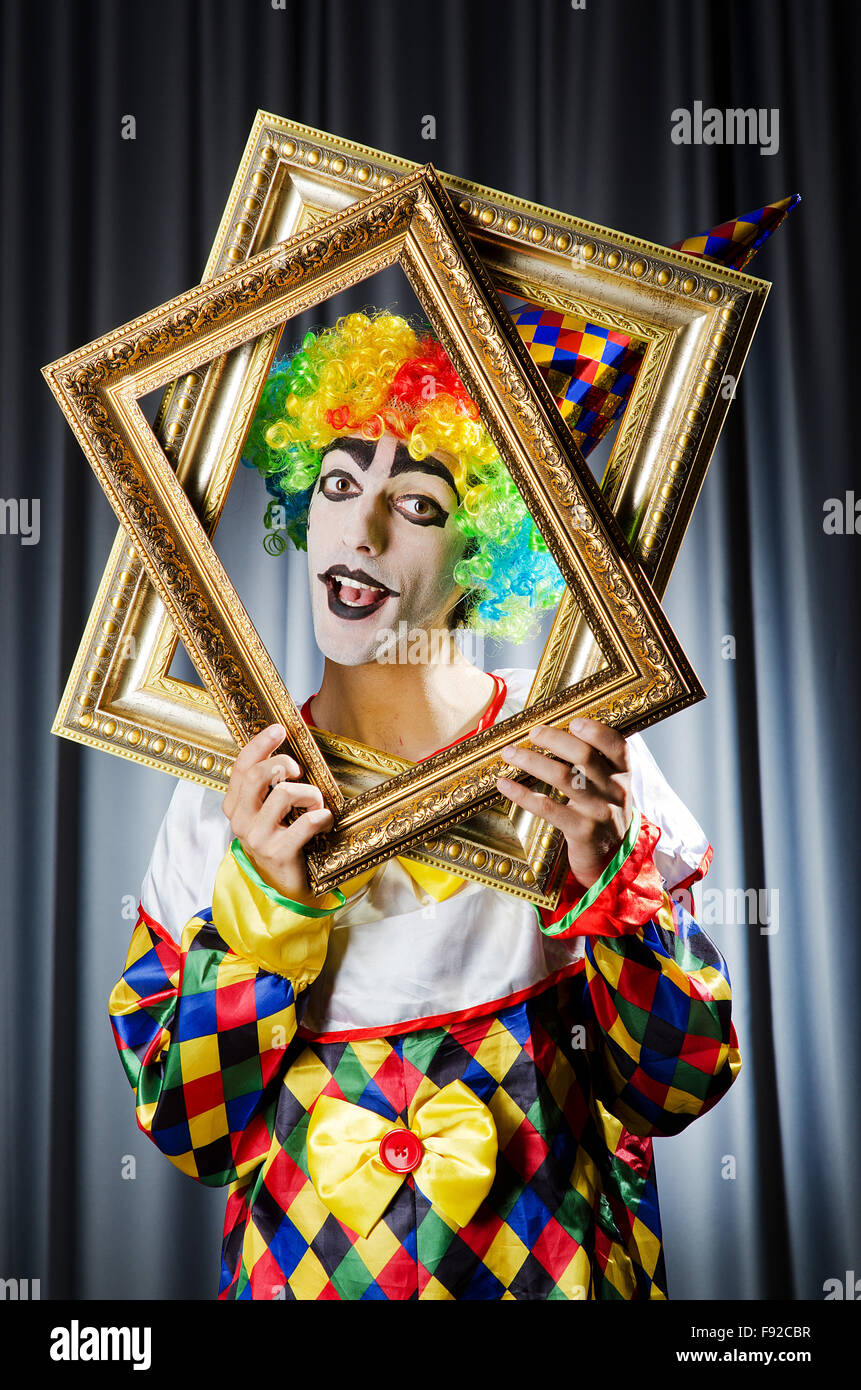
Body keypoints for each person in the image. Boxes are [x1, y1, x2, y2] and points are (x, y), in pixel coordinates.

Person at [109, 310, 739, 1300]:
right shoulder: (228, 795)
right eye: (340, 484)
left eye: (417, 505)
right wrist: (267, 911)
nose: (360, 530)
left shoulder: (576, 753)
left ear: (484, 549)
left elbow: (681, 1082)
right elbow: (191, 1130)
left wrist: (611, 884)